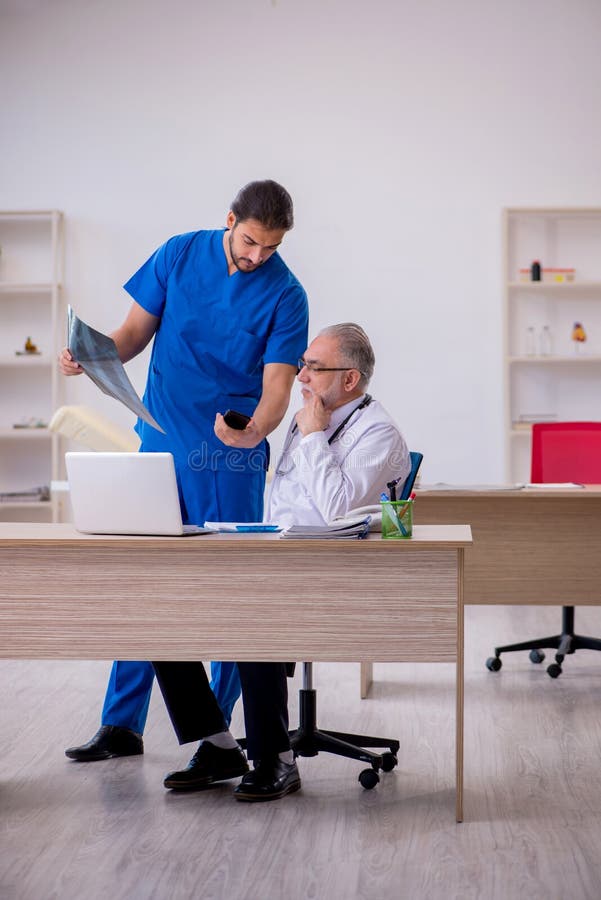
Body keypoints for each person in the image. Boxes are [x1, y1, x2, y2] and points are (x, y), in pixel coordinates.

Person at [59, 180, 309, 761]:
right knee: (145, 583)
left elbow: (277, 389)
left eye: (270, 248)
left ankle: (215, 738)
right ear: (228, 220)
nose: (257, 257)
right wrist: (90, 352)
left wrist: (255, 431)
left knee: (228, 596)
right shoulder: (177, 253)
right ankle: (122, 725)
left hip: (229, 457)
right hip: (161, 441)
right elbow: (130, 336)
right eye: (250, 242)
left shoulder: (286, 295)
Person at [152, 323, 410, 802]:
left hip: (339, 576)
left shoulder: (378, 433)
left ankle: (277, 760)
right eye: (303, 365)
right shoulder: (305, 418)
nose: (302, 376)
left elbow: (337, 510)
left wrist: (312, 437)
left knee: (258, 616)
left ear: (350, 379)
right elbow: (284, 506)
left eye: (314, 367)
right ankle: (218, 743)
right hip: (278, 560)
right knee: (162, 614)